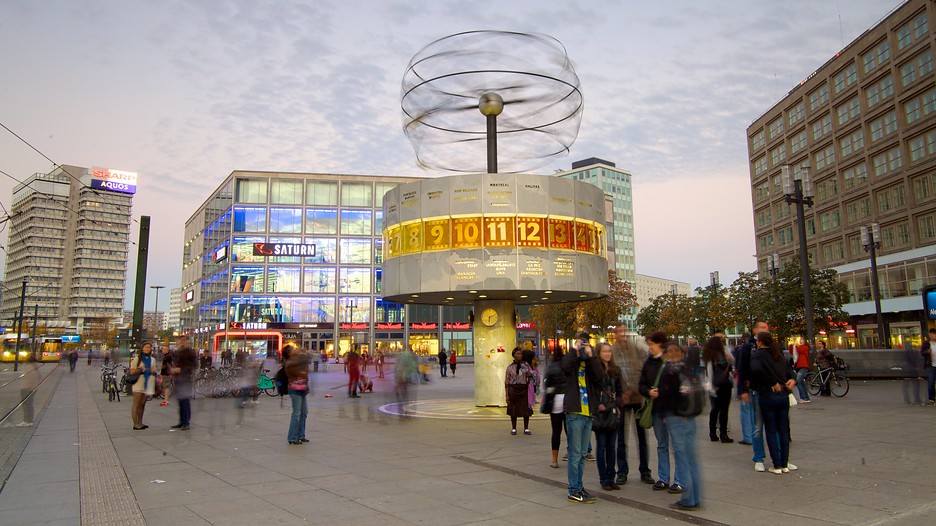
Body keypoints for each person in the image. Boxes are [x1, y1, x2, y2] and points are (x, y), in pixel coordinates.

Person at [658, 343, 703, 511]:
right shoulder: (689, 369)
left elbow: (666, 394)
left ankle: (688, 499)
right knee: (691, 459)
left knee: (682, 457)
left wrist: (663, 413)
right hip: (689, 417)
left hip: (675, 416)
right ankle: (696, 497)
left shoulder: (670, 370)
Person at [561, 331, 603, 504]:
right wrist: (575, 351)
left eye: (585, 343)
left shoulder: (591, 364)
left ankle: (579, 486)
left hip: (588, 413)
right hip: (575, 413)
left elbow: (600, 377)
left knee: (583, 454)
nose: (583, 346)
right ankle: (573, 490)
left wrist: (591, 356)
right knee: (575, 454)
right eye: (581, 342)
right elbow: (563, 367)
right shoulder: (572, 362)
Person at [639, 331, 682, 494]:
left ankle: (679, 480)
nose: (649, 348)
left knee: (677, 446)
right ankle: (663, 478)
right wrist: (648, 392)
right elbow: (641, 383)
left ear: (660, 344)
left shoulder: (673, 360)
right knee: (662, 444)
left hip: (673, 410)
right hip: (657, 410)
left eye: (651, 344)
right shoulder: (649, 362)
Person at [611, 325, 654, 486]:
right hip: (621, 400)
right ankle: (622, 472)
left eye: (625, 331)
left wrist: (633, 390)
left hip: (637, 398)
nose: (623, 334)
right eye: (620, 332)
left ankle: (645, 470)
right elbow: (611, 374)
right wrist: (621, 393)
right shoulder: (613, 351)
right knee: (621, 438)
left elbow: (642, 372)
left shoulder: (636, 349)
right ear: (615, 334)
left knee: (642, 436)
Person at [750, 332, 797, 475]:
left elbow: (757, 371)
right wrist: (792, 379)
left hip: (767, 394)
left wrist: (772, 383)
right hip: (783, 394)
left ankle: (776, 465)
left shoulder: (757, 355)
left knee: (770, 430)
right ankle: (784, 463)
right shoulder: (778, 354)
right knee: (783, 430)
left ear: (760, 342)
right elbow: (789, 369)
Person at [737, 320, 769, 472]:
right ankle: (759, 458)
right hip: (755, 389)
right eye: (762, 327)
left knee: (776, 427)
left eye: (766, 328)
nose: (765, 330)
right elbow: (742, 369)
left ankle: (780, 459)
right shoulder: (748, 347)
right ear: (754, 330)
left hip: (771, 390)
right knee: (757, 426)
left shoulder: (772, 346)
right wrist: (743, 390)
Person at [593, 342, 623, 491]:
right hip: (600, 413)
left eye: (609, 351)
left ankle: (611, 477)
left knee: (612, 447)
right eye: (604, 351)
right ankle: (603, 478)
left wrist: (617, 405)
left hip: (612, 411)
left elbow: (620, 390)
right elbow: (592, 391)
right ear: (599, 353)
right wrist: (598, 405)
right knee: (601, 447)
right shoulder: (595, 371)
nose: (607, 354)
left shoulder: (615, 370)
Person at [702, 335, 734, 443]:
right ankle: (723, 434)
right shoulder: (723, 355)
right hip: (724, 384)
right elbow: (730, 367)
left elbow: (709, 372)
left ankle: (712, 433)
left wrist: (710, 385)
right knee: (724, 410)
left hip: (714, 385)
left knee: (714, 409)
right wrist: (729, 361)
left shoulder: (708, 355)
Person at [543, 345, 566, 469]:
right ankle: (571, 453)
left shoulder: (550, 367)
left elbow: (546, 384)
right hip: (567, 399)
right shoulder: (566, 365)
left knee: (556, 430)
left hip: (555, 399)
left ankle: (554, 459)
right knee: (569, 429)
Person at [284, 344, 310, 444]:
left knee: (304, 412)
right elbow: (301, 373)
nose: (295, 350)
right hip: (295, 389)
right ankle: (292, 437)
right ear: (289, 353)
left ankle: (301, 435)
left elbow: (306, 362)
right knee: (296, 413)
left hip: (302, 388)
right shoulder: (290, 363)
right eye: (293, 349)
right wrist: (304, 373)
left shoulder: (297, 360)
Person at [505, 347, 533, 435]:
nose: (519, 356)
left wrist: (529, 373)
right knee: (513, 408)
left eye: (520, 354)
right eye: (517, 354)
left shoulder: (525, 365)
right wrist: (507, 395)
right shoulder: (510, 367)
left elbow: (531, 374)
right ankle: (514, 428)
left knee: (525, 408)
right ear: (513, 355)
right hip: (513, 389)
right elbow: (507, 381)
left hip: (523, 388)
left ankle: (526, 428)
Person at [171, 336, 197, 430]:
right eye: (180, 341)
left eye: (184, 341)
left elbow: (194, 365)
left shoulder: (190, 352)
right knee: (180, 401)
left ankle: (186, 422)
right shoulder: (177, 352)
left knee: (185, 401)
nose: (181, 342)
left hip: (186, 379)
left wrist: (181, 369)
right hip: (178, 378)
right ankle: (182, 421)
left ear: (187, 342)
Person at [130, 342, 158, 430]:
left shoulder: (152, 359)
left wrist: (153, 371)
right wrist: (140, 369)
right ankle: (135, 424)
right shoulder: (137, 359)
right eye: (146, 347)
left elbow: (154, 370)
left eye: (149, 347)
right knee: (136, 404)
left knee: (142, 404)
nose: (147, 349)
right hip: (139, 382)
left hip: (148, 382)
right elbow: (132, 371)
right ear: (142, 349)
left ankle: (140, 422)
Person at [791, 338, 811, 403]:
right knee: (801, 382)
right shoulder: (800, 347)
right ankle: (806, 397)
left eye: (801, 339)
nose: (800, 341)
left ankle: (803, 397)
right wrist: (793, 345)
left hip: (803, 365)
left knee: (798, 381)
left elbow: (799, 350)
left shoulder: (805, 347)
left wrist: (796, 345)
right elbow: (792, 351)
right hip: (800, 366)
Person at [923, 328, 936, 405]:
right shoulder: (926, 343)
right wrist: (927, 352)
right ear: (929, 334)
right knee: (931, 383)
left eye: (935, 334)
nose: (934, 336)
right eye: (932, 334)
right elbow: (922, 353)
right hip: (930, 365)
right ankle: (931, 399)